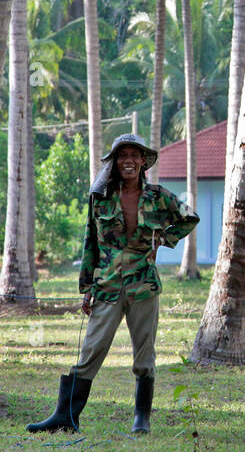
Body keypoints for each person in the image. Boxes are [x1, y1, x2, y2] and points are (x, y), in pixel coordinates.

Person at [28, 133, 199, 435]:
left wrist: (165, 237)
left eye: (134, 155)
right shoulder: (100, 196)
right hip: (107, 286)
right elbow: (90, 243)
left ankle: (141, 418)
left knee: (144, 356)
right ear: (115, 162)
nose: (128, 161)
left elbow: (189, 217)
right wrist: (87, 288)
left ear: (143, 161)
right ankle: (66, 416)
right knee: (90, 352)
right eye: (122, 156)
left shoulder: (159, 196)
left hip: (143, 286)